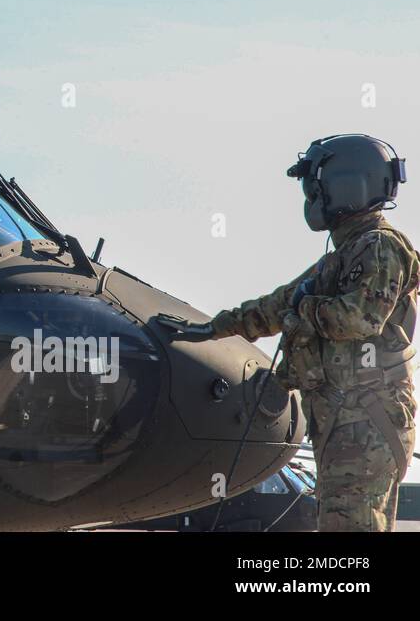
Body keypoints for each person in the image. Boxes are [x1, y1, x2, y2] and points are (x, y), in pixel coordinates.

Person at [170, 135, 417, 531]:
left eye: (316, 189)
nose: (312, 199)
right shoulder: (344, 253)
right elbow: (278, 304)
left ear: (345, 187)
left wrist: (301, 311)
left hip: (366, 424)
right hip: (347, 422)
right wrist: (216, 327)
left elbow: (359, 319)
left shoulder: (380, 248)